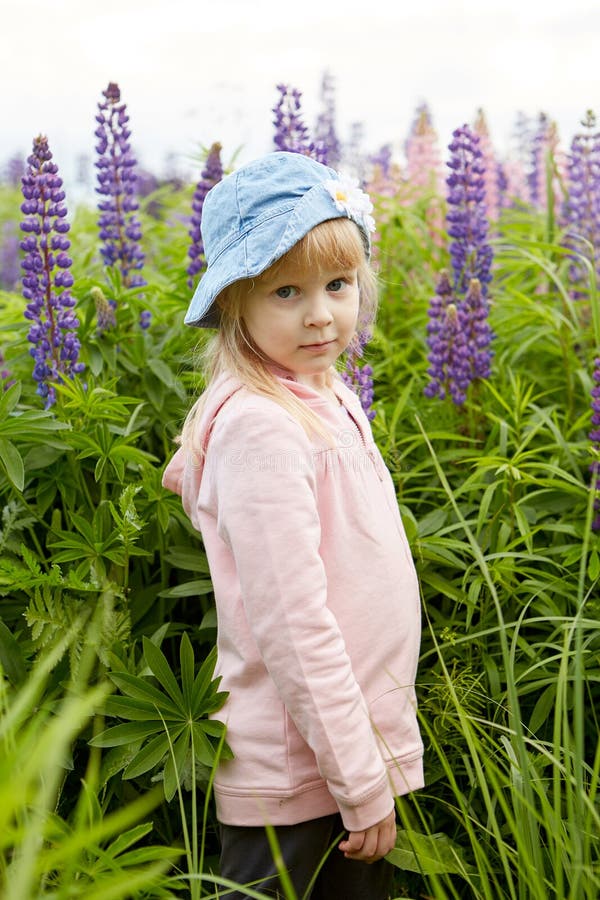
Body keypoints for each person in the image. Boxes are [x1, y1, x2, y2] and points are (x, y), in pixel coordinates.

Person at [162, 151, 424, 899]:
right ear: (234, 304)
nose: (320, 313)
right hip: (305, 779)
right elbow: (292, 623)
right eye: (286, 290)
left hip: (342, 762)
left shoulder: (318, 388)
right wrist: (360, 778)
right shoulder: (261, 428)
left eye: (338, 285)